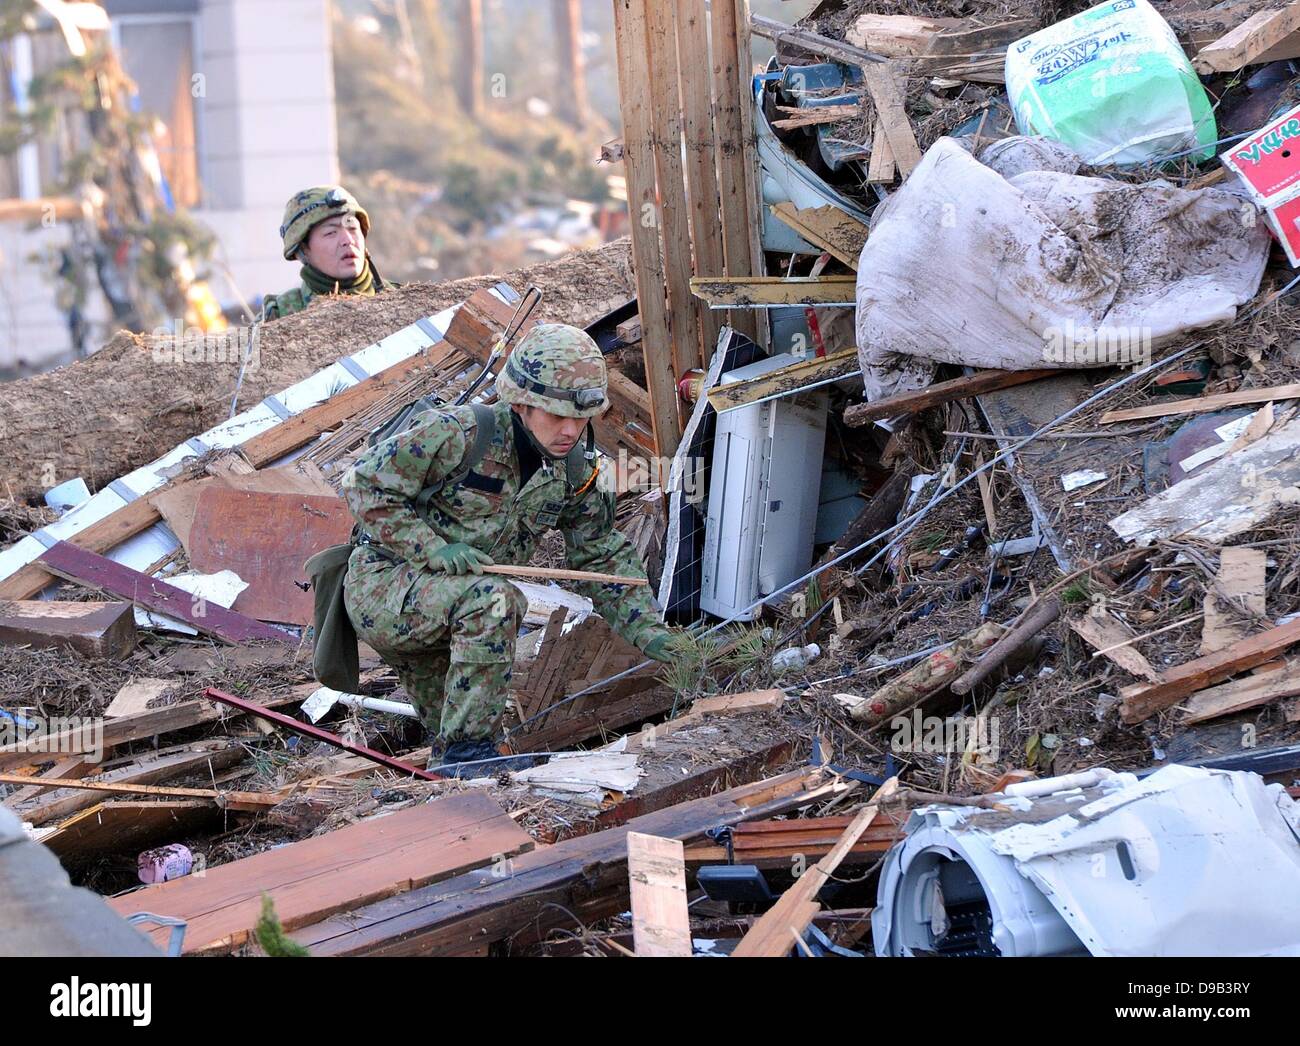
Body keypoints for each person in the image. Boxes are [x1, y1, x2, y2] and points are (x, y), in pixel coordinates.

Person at [340, 323, 680, 775]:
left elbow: (601, 554)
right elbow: (363, 484)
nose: (570, 430)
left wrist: (650, 633)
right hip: (385, 588)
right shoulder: (457, 434)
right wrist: (430, 547)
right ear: (520, 403)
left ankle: (456, 767)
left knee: (456, 735)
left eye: (580, 418)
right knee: (496, 602)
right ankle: (465, 756)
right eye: (556, 415)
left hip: (451, 607)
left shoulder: (577, 469)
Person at [261, 185, 393, 320]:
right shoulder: (278, 316)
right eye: (331, 233)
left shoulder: (400, 300)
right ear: (302, 250)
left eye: (352, 228)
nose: (347, 240)